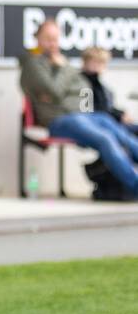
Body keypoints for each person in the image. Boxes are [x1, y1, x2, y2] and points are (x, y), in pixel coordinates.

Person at [19, 20, 138, 200]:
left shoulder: (61, 66)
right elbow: (55, 91)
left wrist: (66, 87)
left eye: (56, 39)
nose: (53, 44)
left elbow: (84, 89)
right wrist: (65, 69)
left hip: (85, 116)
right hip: (60, 120)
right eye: (48, 39)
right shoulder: (33, 64)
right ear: (37, 39)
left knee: (122, 135)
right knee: (105, 138)